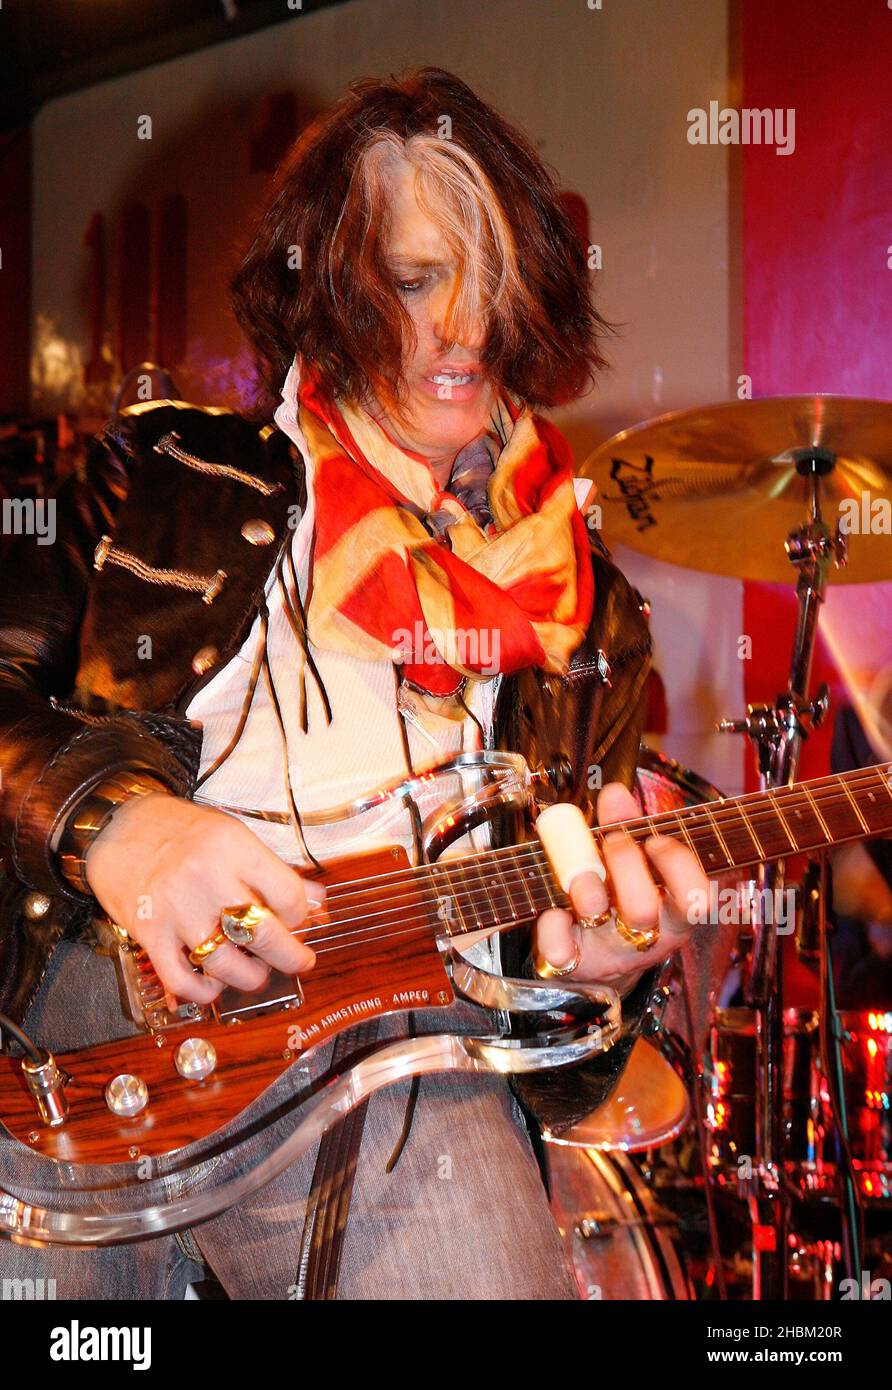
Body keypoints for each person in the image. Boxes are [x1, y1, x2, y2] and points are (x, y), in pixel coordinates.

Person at [0, 67, 708, 1300]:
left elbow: (563, 1073)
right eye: (415, 281)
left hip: (389, 1049)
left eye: (486, 282)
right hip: (77, 1023)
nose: (461, 330)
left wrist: (594, 969)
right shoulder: (160, 471)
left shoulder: (589, 612)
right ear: (320, 294)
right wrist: (121, 824)